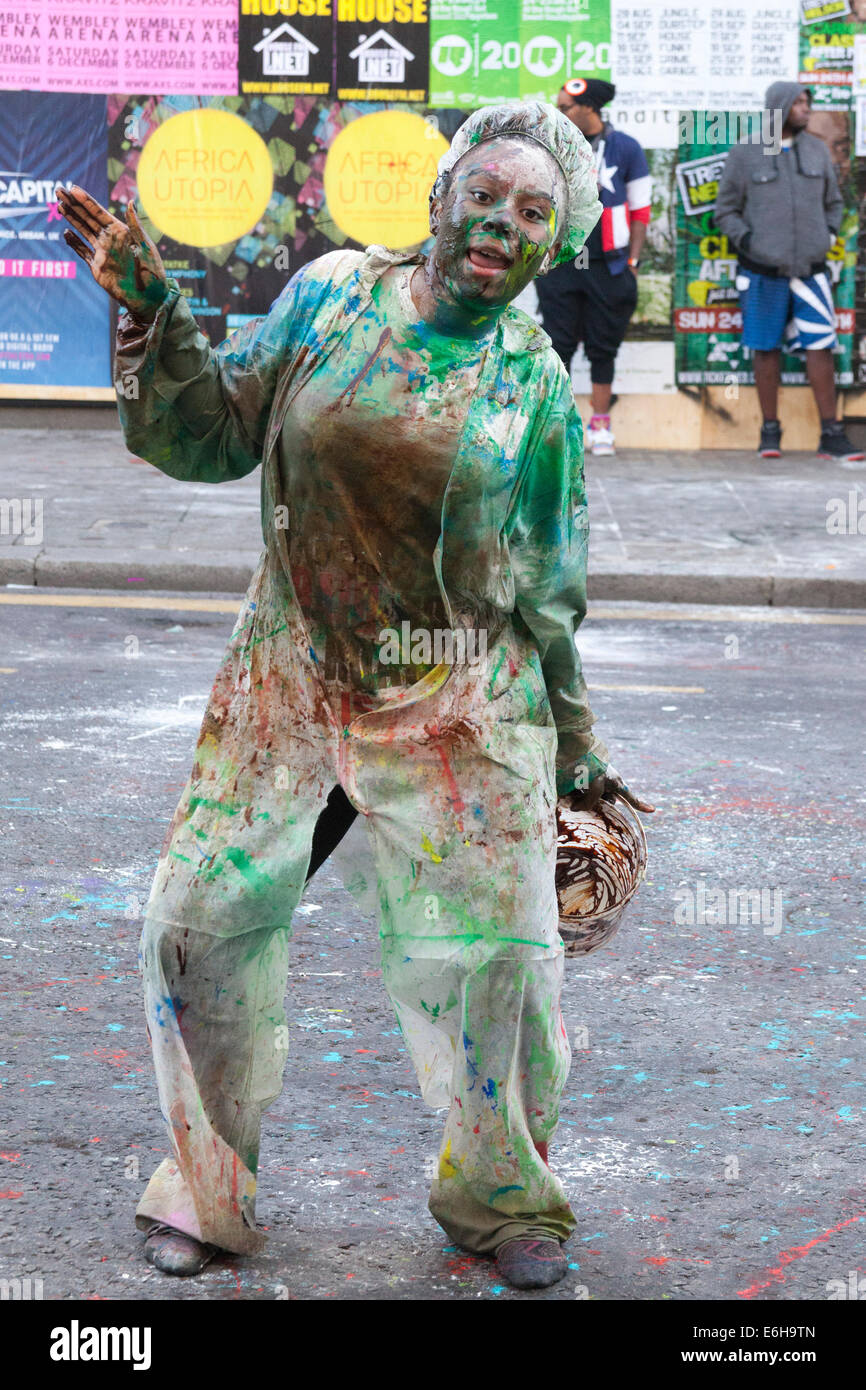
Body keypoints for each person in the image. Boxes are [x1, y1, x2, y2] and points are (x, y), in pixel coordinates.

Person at [56, 101, 653, 1293]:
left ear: (551, 247)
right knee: (195, 928)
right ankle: (207, 1189)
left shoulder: (530, 381)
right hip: (290, 673)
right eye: (485, 194)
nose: (501, 224)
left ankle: (500, 1197)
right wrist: (151, 304)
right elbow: (215, 431)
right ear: (439, 196)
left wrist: (575, 748)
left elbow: (549, 582)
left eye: (535, 213)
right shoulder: (332, 297)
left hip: (457, 699)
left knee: (502, 961)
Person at [715, 81, 864, 461]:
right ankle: (770, 431)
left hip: (812, 271)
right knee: (765, 349)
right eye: (798, 102)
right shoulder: (747, 152)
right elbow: (725, 211)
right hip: (761, 270)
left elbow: (834, 202)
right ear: (778, 107)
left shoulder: (816, 149)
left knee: (820, 347)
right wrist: (749, 242)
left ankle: (831, 432)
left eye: (807, 102)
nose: (805, 108)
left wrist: (827, 235)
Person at [535, 77, 652, 457]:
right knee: (558, 343)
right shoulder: (555, 147)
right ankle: (558, 425)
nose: (561, 114)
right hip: (564, 261)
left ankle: (601, 425)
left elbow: (641, 210)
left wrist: (632, 262)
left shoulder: (626, 148)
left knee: (604, 348)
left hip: (610, 264)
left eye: (567, 108)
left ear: (590, 109)